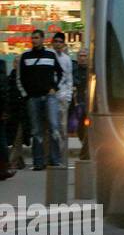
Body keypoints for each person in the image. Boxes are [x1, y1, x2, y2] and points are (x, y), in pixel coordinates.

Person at [16, 29, 64, 171]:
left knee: (54, 127)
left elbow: (60, 72)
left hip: (49, 96)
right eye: (33, 38)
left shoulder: (50, 55)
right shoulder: (25, 56)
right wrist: (26, 94)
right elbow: (21, 77)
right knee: (37, 130)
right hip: (33, 97)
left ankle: (54, 160)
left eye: (37, 38)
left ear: (43, 39)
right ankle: (38, 162)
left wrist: (55, 88)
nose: (34, 40)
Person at [51, 33, 74, 163]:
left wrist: (68, 96)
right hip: (51, 96)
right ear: (52, 43)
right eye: (56, 41)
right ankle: (52, 157)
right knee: (51, 128)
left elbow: (69, 79)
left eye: (60, 42)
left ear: (63, 44)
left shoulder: (66, 59)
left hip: (63, 97)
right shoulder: (49, 56)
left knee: (63, 129)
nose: (58, 44)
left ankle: (62, 158)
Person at [73, 49, 90, 160]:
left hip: (89, 103)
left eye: (84, 56)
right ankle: (85, 148)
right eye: (80, 56)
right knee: (79, 129)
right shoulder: (74, 70)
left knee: (87, 128)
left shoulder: (92, 70)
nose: (82, 58)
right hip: (77, 103)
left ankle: (85, 152)